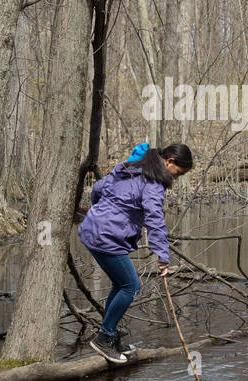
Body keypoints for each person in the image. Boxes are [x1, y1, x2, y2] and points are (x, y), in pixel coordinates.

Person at [78, 142, 193, 363]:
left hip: (94, 229)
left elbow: (99, 188)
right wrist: (163, 256)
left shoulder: (129, 166)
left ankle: (108, 336)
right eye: (178, 174)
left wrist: (99, 211)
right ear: (169, 162)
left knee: (120, 284)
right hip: (106, 237)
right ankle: (104, 338)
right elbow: (155, 219)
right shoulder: (154, 181)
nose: (176, 179)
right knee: (131, 286)